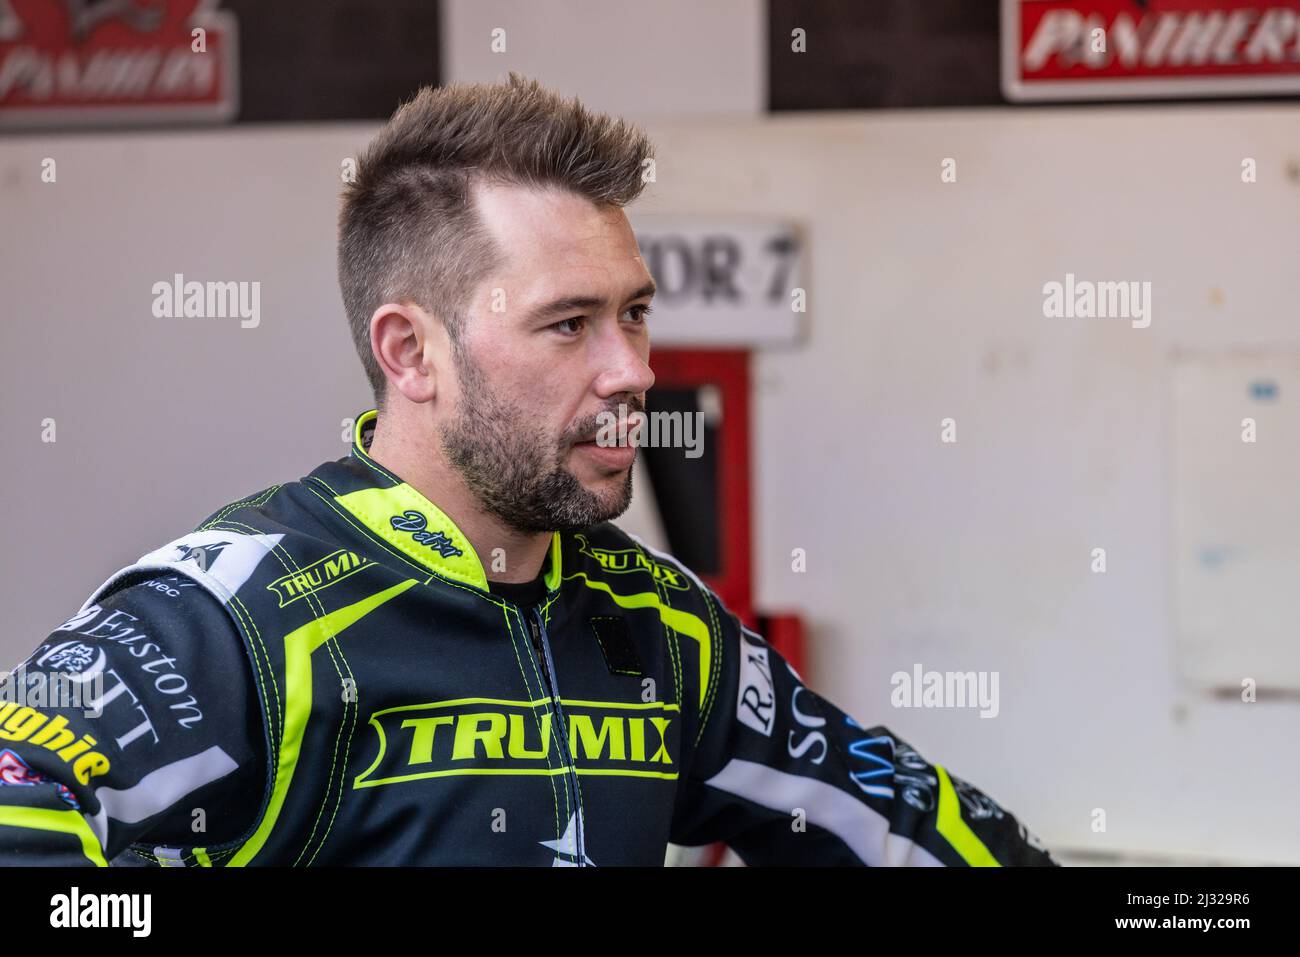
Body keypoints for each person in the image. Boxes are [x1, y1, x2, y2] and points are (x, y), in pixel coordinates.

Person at [0, 74, 1055, 867]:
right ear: (412, 353)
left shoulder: (662, 627)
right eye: (568, 323)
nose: (633, 370)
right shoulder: (227, 618)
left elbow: (910, 825)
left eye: (633, 313)